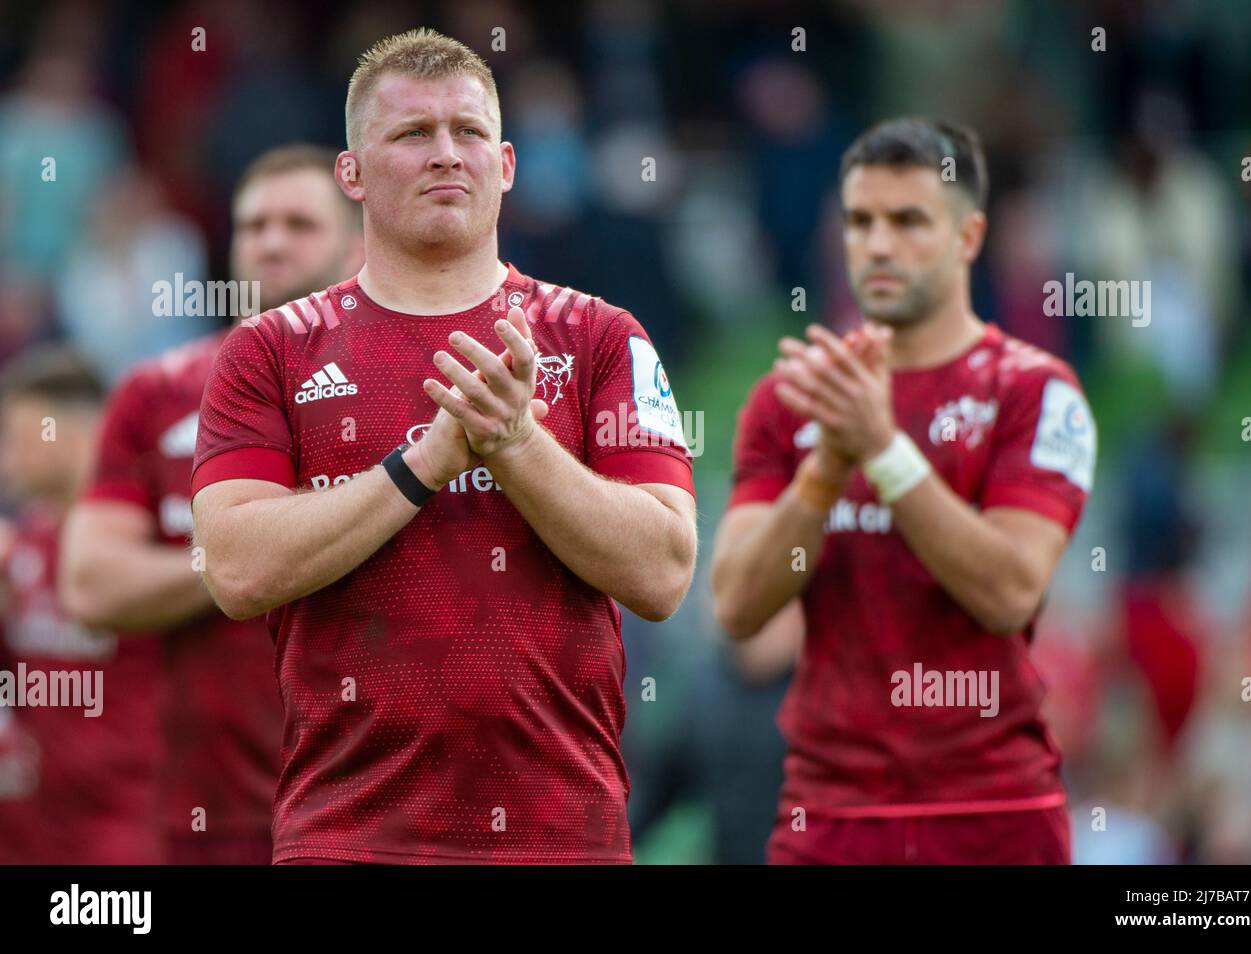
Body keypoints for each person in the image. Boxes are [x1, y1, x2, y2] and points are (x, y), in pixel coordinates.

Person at [189, 28, 696, 865]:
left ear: (504, 165)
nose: (445, 155)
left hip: (563, 836)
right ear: (350, 173)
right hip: (347, 838)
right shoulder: (270, 350)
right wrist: (424, 465)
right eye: (412, 134)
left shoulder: (602, 335)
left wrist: (513, 441)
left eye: (467, 133)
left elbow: (664, 571)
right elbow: (236, 570)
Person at [711, 117, 1096, 864]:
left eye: (908, 220)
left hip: (994, 812)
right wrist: (824, 471)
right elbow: (737, 606)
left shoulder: (1035, 392)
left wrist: (883, 451)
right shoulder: (791, 402)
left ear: (969, 236)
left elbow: (1011, 589)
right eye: (860, 221)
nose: (878, 244)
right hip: (829, 815)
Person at [58, 144, 365, 864]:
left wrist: (267, 543)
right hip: (208, 815)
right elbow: (91, 584)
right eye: (253, 225)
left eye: (298, 224)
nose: (271, 243)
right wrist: (248, 554)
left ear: (358, 245)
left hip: (376, 810)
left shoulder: (410, 386)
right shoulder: (157, 390)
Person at [0, 348, 163, 863]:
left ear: (69, 435)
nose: (7, 460)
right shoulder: (19, 548)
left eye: (17, 440)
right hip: (39, 823)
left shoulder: (147, 546)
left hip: (133, 818)